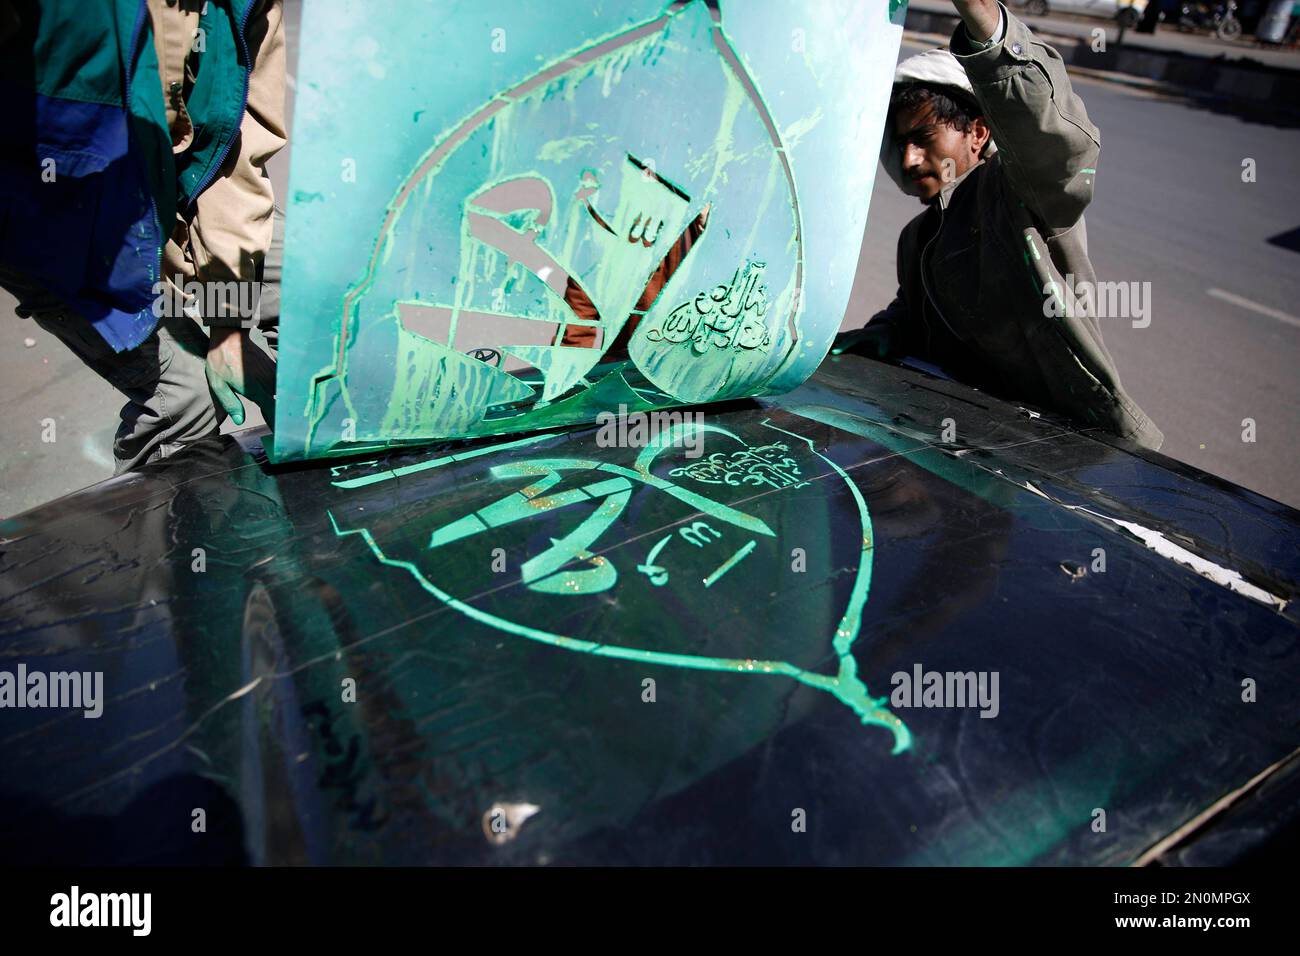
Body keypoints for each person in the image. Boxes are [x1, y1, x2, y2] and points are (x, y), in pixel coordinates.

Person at [836, 0, 1163, 450]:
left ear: (978, 132)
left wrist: (984, 23)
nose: (910, 159)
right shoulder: (917, 239)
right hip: (968, 444)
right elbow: (913, 316)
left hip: (1062, 450)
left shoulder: (1019, 192)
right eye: (901, 144)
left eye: (923, 139)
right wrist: (877, 336)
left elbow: (1046, 134)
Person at [0, 0, 284, 473]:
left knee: (321, 300)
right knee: (185, 399)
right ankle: (177, 539)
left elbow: (236, 152)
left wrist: (227, 323)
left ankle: (348, 483)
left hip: (179, 183)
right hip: (60, 215)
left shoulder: (246, 4)